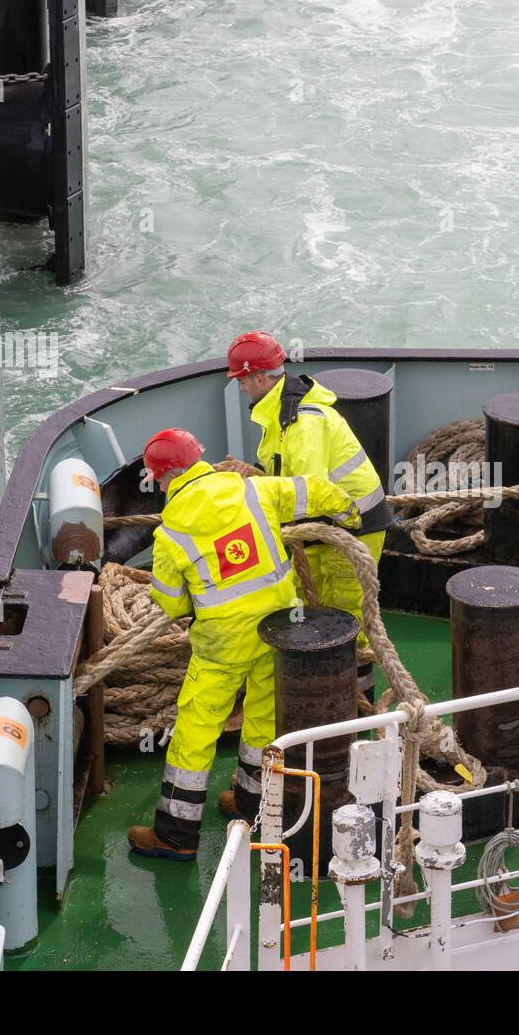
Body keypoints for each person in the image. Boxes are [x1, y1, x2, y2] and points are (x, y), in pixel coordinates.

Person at [127, 427, 361, 860]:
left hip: (221, 645)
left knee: (196, 731)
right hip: (277, 629)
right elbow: (317, 491)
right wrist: (353, 514)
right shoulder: (252, 490)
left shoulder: (171, 531)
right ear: (200, 458)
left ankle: (176, 836)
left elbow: (171, 602)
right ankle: (254, 811)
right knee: (262, 722)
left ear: (162, 478)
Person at [224, 331, 393, 700]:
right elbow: (288, 480)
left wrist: (257, 498)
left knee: (347, 617)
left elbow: (310, 491)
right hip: (320, 527)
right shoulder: (277, 416)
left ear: (259, 378)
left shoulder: (302, 422)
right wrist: (252, 474)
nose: (239, 388)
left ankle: (353, 703)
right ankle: (315, 688)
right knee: (305, 604)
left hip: (352, 528)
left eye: (241, 380)